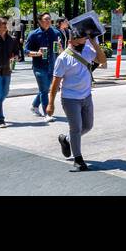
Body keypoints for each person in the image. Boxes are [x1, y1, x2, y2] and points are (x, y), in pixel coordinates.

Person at [46, 19, 102, 172]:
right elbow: (55, 83)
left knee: (88, 126)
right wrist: (51, 103)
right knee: (76, 128)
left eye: (85, 38)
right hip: (70, 99)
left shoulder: (87, 51)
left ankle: (66, 139)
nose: (85, 40)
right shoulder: (63, 58)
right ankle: (78, 160)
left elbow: (102, 60)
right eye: (82, 38)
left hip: (86, 96)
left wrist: (94, 42)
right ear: (72, 40)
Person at [24, 13, 67, 118]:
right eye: (46, 19)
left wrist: (61, 48)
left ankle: (34, 106)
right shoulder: (33, 34)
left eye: (49, 19)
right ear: (40, 21)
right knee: (44, 90)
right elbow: (25, 51)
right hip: (39, 66)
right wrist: (37, 53)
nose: (48, 21)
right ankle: (47, 113)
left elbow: (60, 51)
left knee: (46, 88)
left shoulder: (56, 33)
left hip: (53, 66)